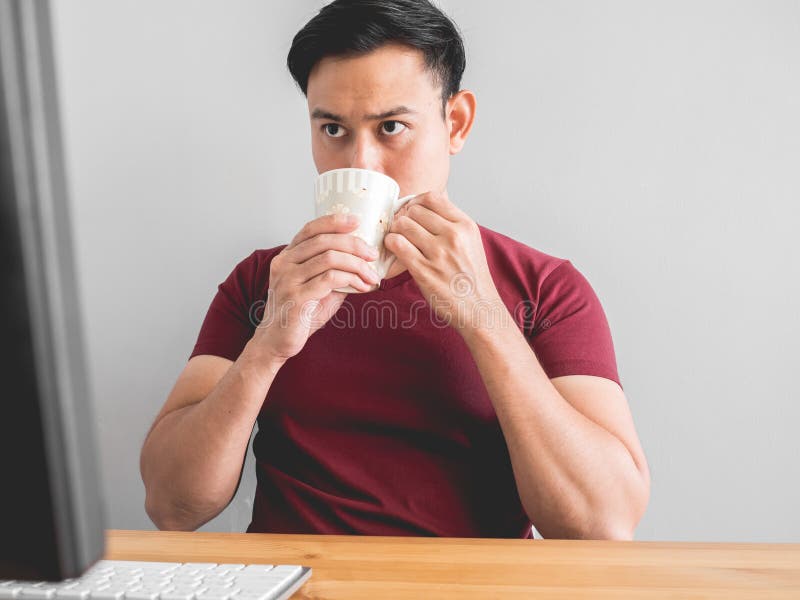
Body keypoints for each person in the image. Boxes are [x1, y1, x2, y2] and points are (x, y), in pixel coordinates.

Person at [140, 0, 650, 540]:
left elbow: (603, 524)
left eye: (391, 127)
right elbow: (172, 507)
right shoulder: (264, 280)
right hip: (298, 585)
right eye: (333, 129)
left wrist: (482, 316)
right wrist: (268, 346)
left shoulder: (545, 288)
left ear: (455, 124)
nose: (361, 164)